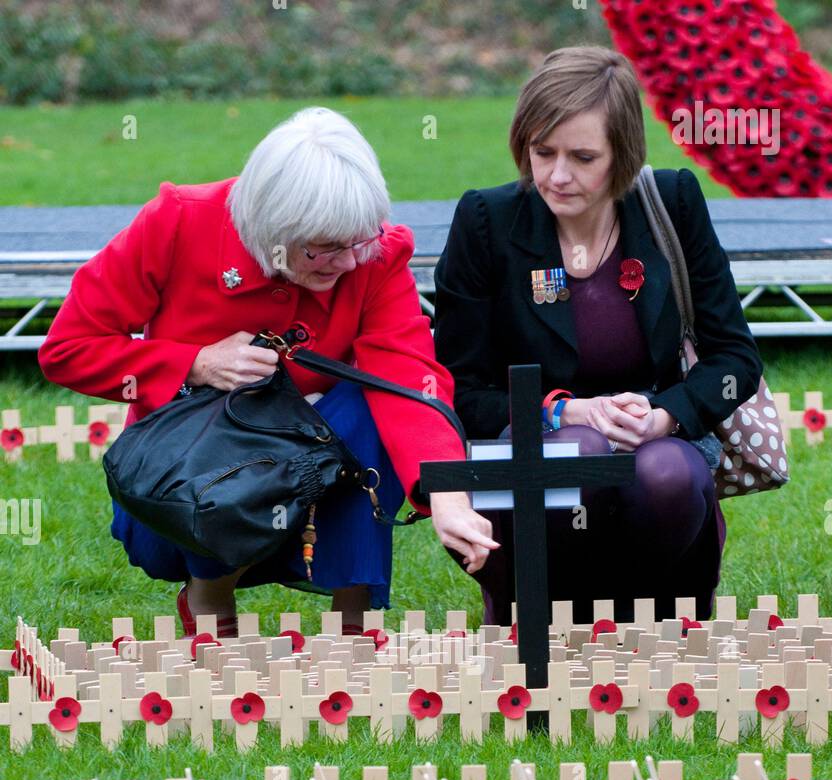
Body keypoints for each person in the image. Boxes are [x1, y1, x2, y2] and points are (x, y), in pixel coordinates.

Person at [38, 106, 494, 637]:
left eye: (357, 242)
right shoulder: (177, 222)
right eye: (323, 248)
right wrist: (194, 363)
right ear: (272, 228)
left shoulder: (373, 255)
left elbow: (407, 376)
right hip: (192, 475)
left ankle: (356, 619)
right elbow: (68, 347)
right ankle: (211, 591)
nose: (348, 263)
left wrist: (446, 489)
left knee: (368, 399)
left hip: (320, 460)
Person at [433, 46, 764, 627]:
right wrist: (565, 413)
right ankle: (550, 619)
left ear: (624, 154)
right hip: (535, 445)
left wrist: (665, 415)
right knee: (576, 457)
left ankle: (658, 620)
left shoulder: (672, 204)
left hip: (656, 440)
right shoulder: (486, 222)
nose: (558, 176)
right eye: (542, 152)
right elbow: (460, 388)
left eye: (584, 157)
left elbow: (734, 357)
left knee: (667, 473)